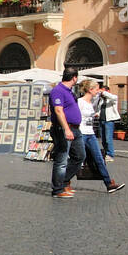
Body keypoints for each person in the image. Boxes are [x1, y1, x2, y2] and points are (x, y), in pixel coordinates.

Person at [77, 79, 125, 194]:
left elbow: (113, 98)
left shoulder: (93, 102)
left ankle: (109, 184)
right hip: (81, 133)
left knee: (99, 158)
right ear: (90, 89)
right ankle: (64, 182)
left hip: (91, 134)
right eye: (97, 89)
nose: (99, 91)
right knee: (77, 159)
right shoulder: (80, 102)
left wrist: (102, 93)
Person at [48, 69, 85, 199]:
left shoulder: (70, 92)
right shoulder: (58, 90)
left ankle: (64, 181)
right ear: (74, 78)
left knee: (80, 156)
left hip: (75, 128)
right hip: (64, 128)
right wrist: (66, 129)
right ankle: (57, 189)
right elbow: (58, 110)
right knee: (62, 160)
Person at [93, 83, 120, 161]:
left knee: (108, 138)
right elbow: (99, 109)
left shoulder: (113, 98)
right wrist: (97, 113)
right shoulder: (101, 100)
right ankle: (105, 152)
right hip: (101, 120)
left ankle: (110, 154)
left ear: (108, 91)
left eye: (104, 92)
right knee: (103, 139)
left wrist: (103, 92)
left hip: (109, 120)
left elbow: (113, 97)